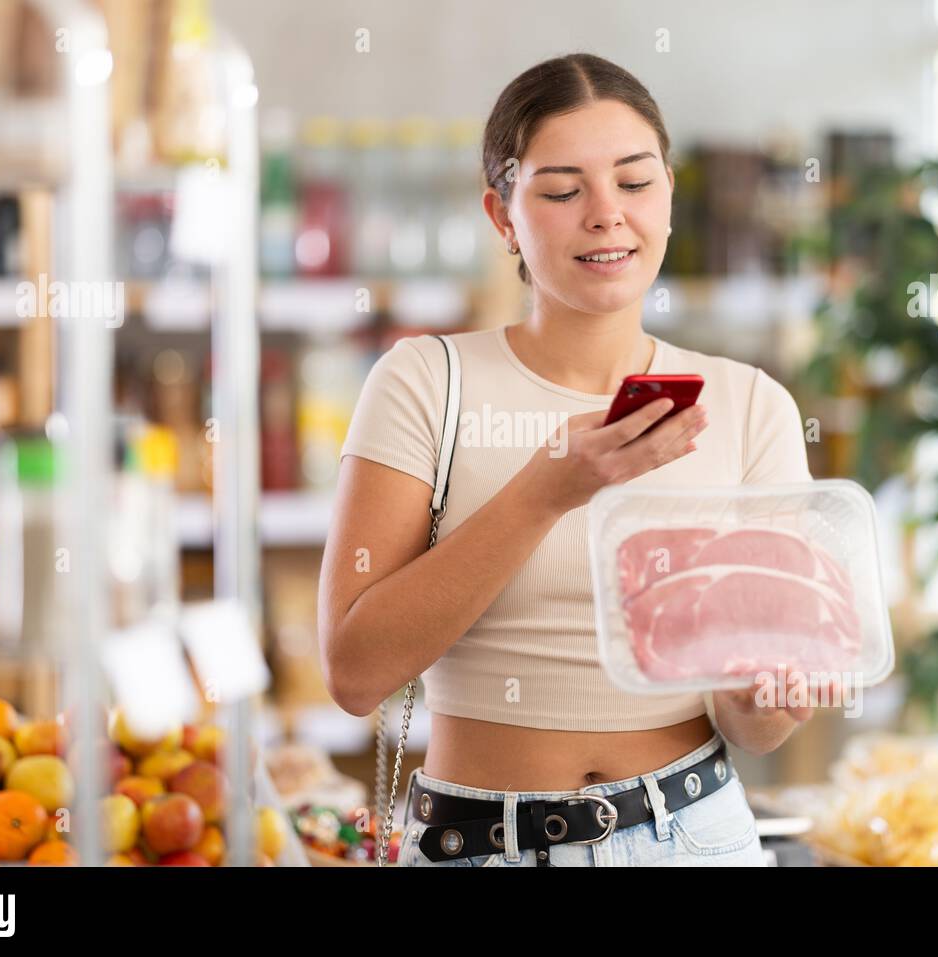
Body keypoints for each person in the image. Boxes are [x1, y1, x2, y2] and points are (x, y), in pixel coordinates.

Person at [319, 53, 823, 867]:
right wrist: (549, 492)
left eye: (635, 182)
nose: (606, 215)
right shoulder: (426, 381)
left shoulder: (750, 402)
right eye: (561, 190)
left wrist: (765, 692)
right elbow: (354, 672)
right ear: (503, 215)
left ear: (669, 193)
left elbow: (755, 727)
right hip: (482, 844)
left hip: (695, 833)